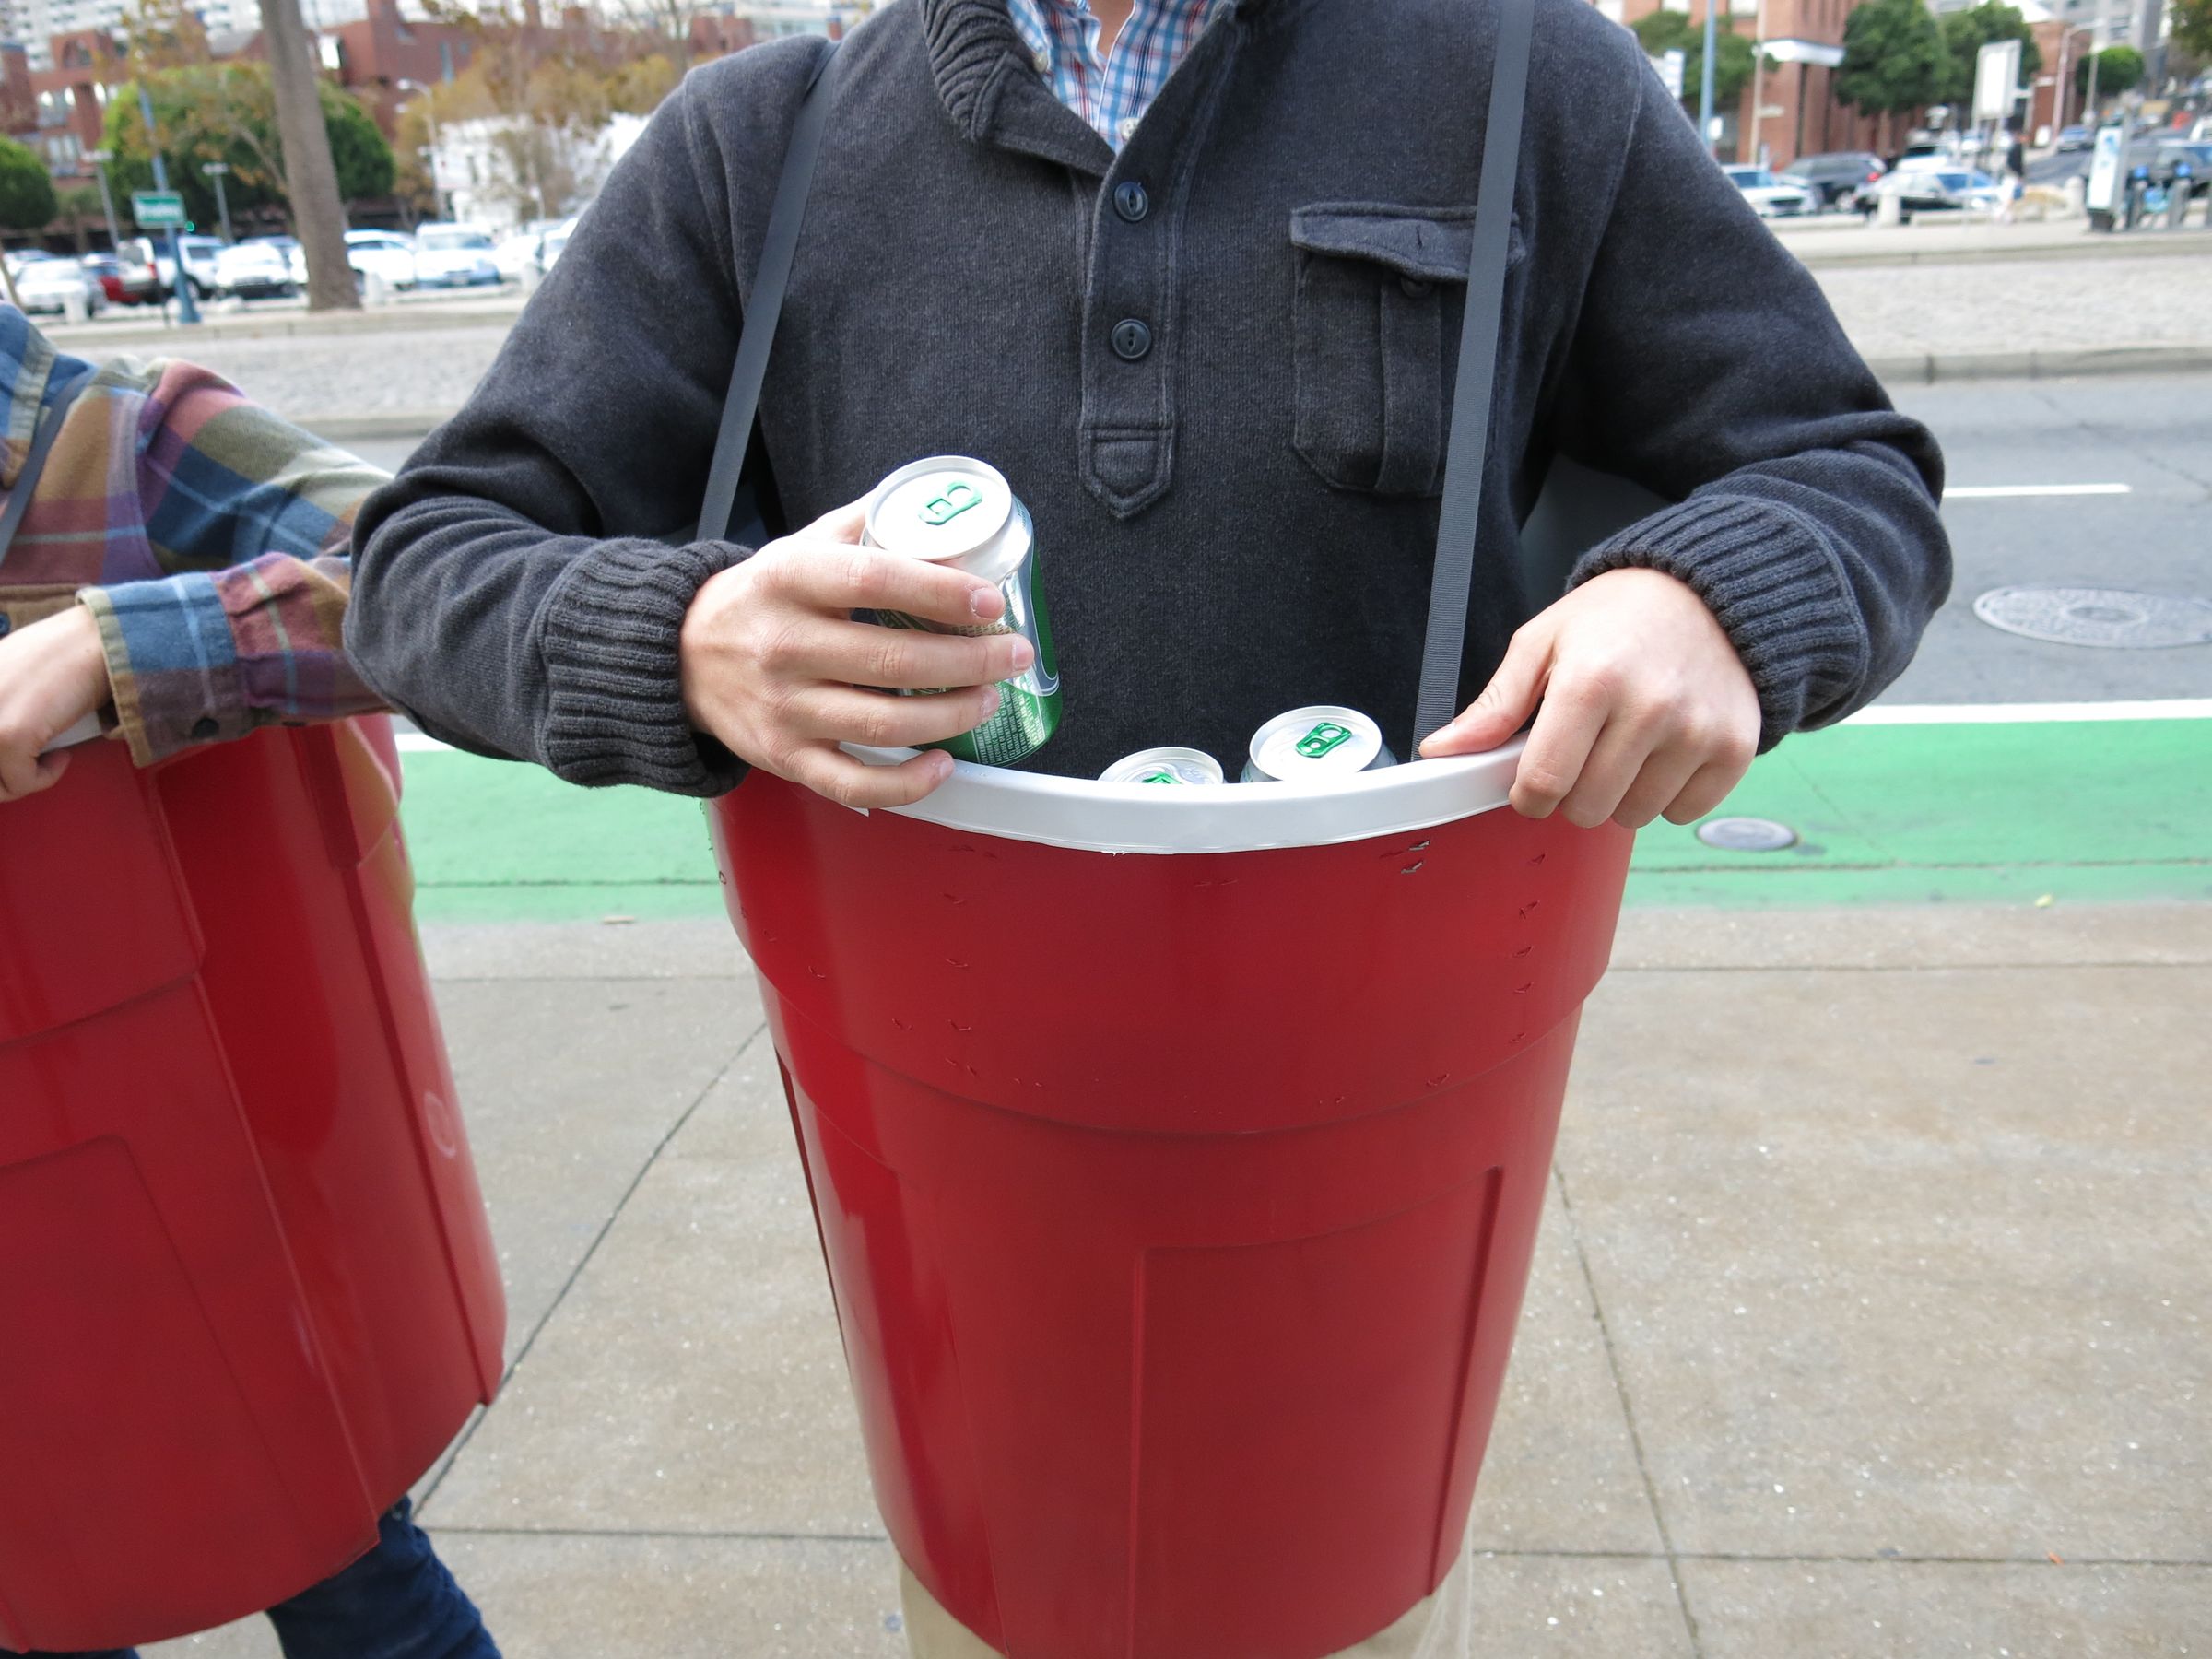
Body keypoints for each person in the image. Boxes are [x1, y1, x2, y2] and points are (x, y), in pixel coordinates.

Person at [345, 0, 1951, 1650]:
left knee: (1339, 1600)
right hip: (964, 1210)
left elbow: (1847, 470)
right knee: (996, 1602)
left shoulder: (1525, 74)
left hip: (1378, 1187)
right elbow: (419, 569)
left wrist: (1719, 597)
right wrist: (680, 639)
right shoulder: (764, 140)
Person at [0, 304, 500, 1659]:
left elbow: (435, 579)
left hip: (215, 1194)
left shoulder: (118, 442)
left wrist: (111, 648)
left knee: (344, 1568)